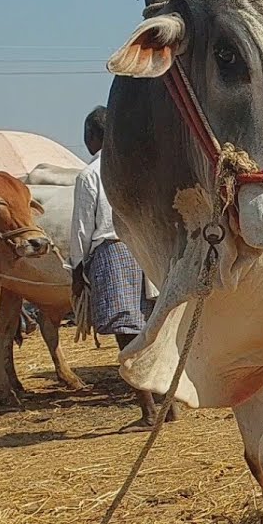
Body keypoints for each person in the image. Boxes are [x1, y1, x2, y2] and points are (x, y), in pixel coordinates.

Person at [70, 106, 176, 429]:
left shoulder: (89, 175)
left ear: (92, 137)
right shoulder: (137, 165)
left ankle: (148, 411)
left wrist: (77, 270)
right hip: (144, 246)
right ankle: (169, 404)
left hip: (112, 252)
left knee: (126, 334)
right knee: (151, 329)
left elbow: (81, 229)